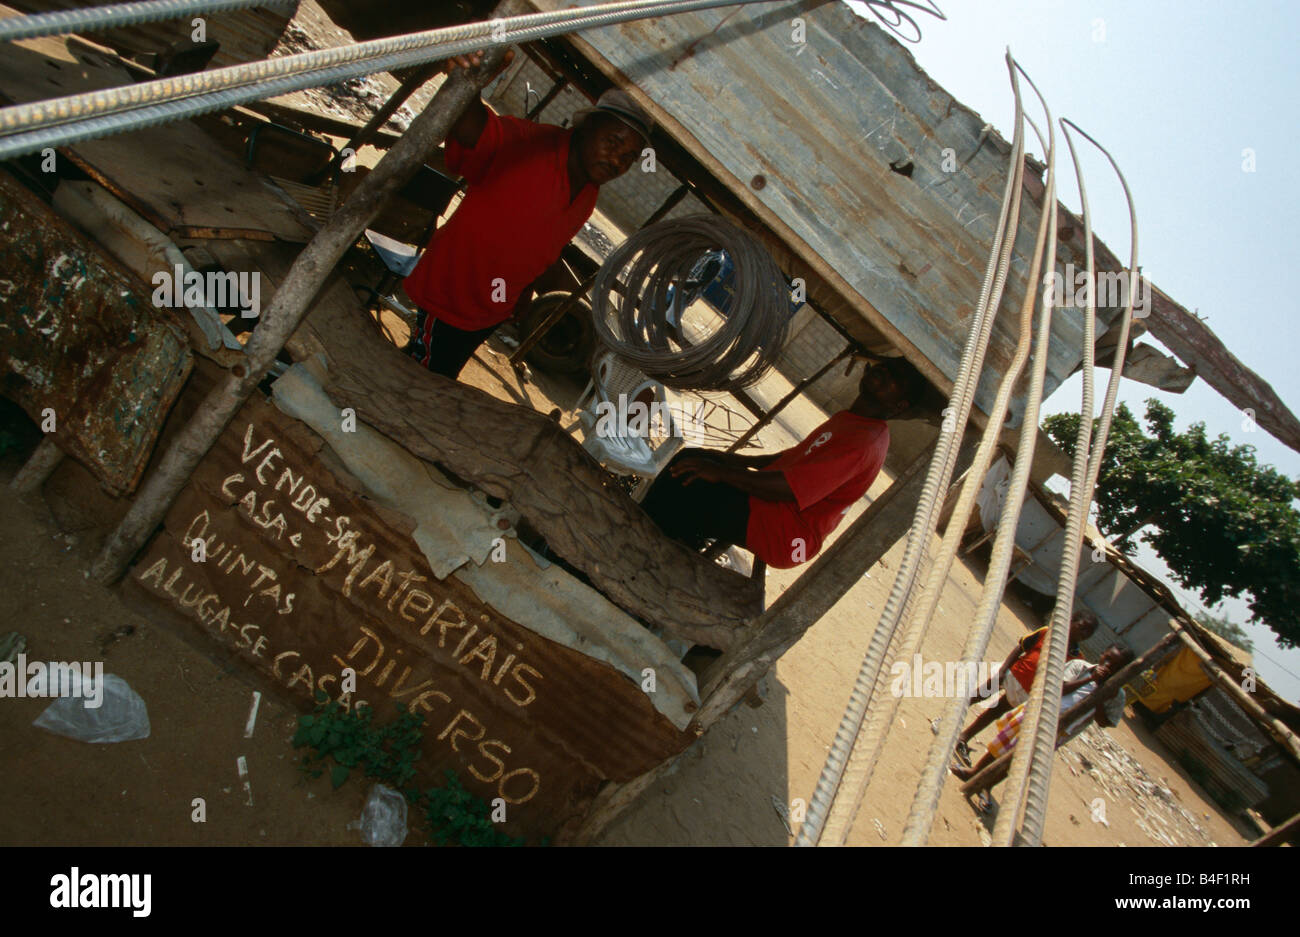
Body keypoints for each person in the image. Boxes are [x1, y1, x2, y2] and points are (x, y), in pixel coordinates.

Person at [402, 48, 651, 378]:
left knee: (439, 376)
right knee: (417, 375)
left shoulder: (588, 191)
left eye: (630, 157)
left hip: (491, 307)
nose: (618, 160)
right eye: (614, 142)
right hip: (451, 296)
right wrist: (470, 76)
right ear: (587, 126)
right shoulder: (529, 146)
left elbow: (542, 247)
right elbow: (470, 127)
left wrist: (522, 292)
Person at [639, 356, 928, 569]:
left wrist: (723, 473)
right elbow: (791, 459)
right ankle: (668, 541)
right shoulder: (853, 420)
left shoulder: (863, 442)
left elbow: (788, 488)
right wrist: (732, 461)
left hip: (786, 532)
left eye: (894, 379)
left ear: (899, 405)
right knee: (695, 460)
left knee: (688, 482)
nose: (883, 372)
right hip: (774, 508)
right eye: (884, 366)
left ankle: (644, 547)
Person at [951, 643, 1134, 781]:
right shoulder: (1081, 668)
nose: (1108, 666)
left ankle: (987, 782)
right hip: (1040, 710)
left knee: (1022, 756)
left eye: (1115, 666)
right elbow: (1059, 687)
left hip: (1061, 729)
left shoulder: (1117, 695)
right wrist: (1091, 680)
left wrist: (1102, 695)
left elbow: (1104, 722)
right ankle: (976, 771)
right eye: (1108, 659)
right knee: (1005, 741)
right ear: (1102, 655)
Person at [954, 608, 1099, 762]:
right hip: (1014, 674)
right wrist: (1004, 669)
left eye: (1088, 633)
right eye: (1082, 627)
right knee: (980, 695)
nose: (1083, 634)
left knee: (996, 711)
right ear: (1071, 621)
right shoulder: (1048, 633)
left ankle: (964, 737)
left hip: (1029, 690)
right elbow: (1021, 646)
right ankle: (949, 719)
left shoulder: (1077, 659)